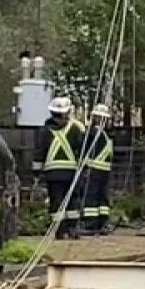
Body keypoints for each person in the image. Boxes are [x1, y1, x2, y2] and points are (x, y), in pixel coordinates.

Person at [37, 96, 84, 239]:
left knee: (56, 202)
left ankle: (59, 231)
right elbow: (81, 149)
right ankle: (73, 229)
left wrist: (36, 174)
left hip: (53, 174)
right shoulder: (75, 129)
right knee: (72, 201)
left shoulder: (44, 131)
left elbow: (39, 153)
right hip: (71, 172)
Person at [79, 103, 115, 235]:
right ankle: (103, 222)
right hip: (105, 171)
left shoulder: (93, 133)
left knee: (91, 197)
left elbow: (84, 150)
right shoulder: (107, 135)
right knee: (102, 197)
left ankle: (90, 224)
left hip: (93, 169)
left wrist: (83, 166)